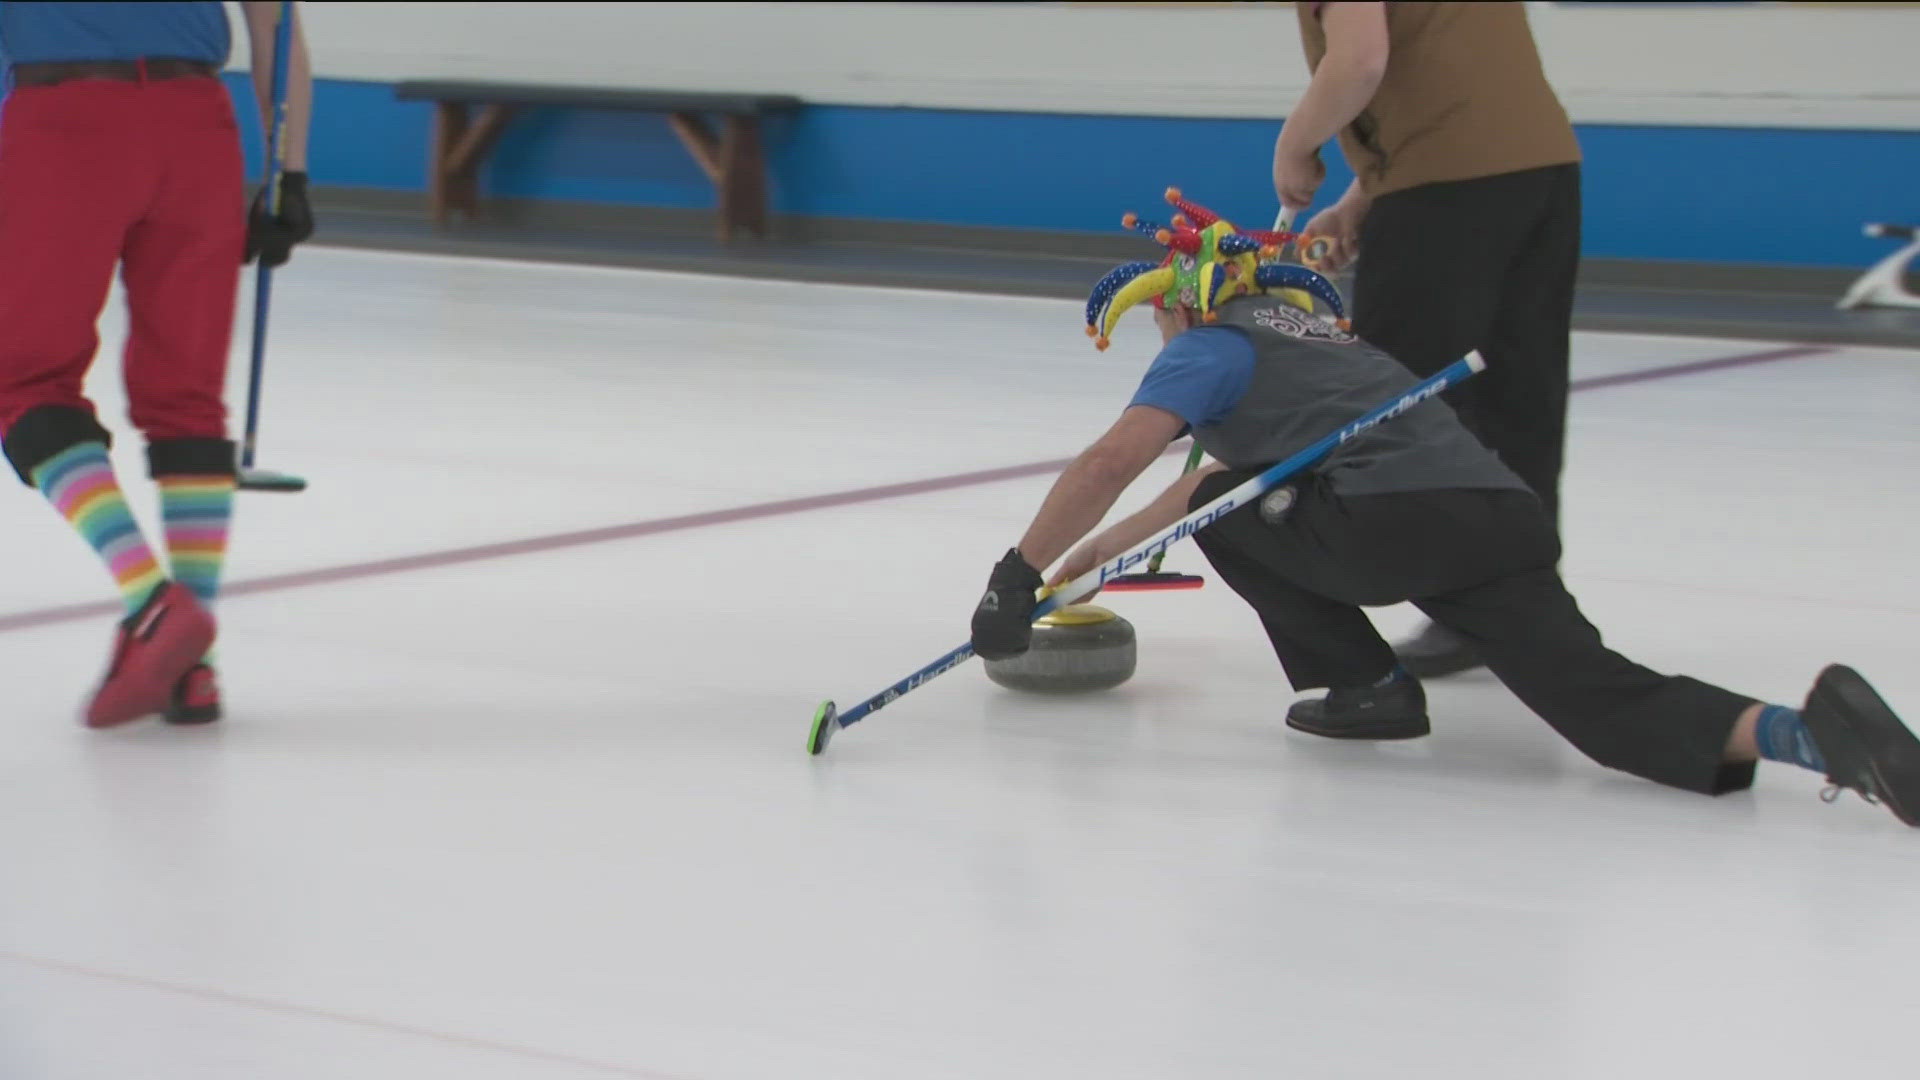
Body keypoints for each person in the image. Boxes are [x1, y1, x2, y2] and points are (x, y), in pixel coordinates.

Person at [966, 192, 1920, 828]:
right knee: (1595, 698)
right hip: (1495, 514)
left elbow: (1118, 462)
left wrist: (1012, 575)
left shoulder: (1206, 347)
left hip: (1397, 523)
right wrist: (1061, 580)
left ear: (1179, 301)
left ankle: (1366, 689)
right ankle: (1813, 733)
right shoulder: (1324, 345)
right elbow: (1179, 497)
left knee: (1226, 501)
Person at [0, 1, 315, 728]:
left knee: (22, 378)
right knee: (189, 396)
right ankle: (191, 668)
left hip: (62, 120)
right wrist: (288, 176)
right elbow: (277, 26)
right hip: (197, 123)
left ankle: (151, 603)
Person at [1274, 1, 1582, 680]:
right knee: (1517, 397)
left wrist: (1296, 144)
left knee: (1400, 404)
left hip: (1448, 192)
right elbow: (1450, 69)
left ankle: (1466, 603)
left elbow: (1360, 60)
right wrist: (1366, 196)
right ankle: (1527, 606)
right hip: (1541, 169)